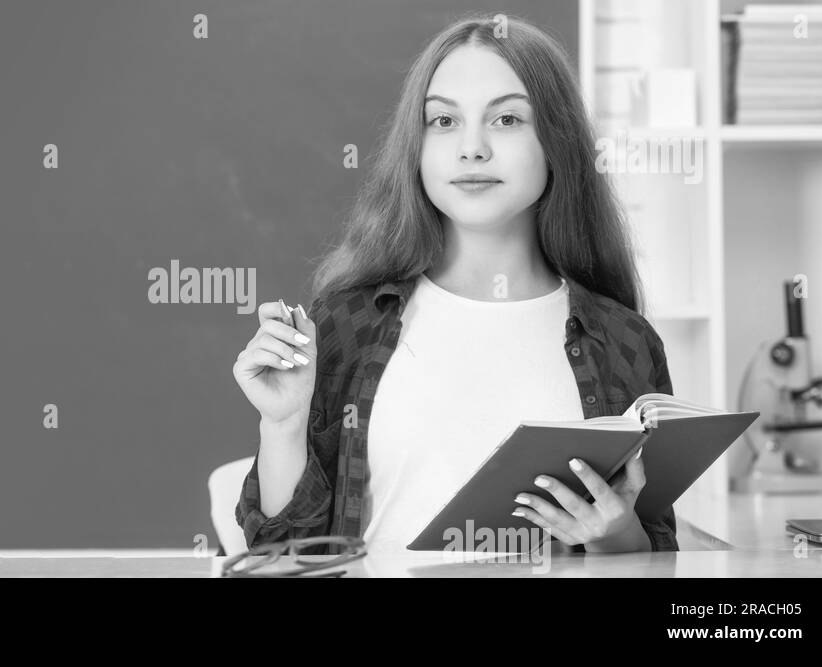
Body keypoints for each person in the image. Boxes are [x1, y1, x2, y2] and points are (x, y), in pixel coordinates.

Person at [231, 15, 678, 556]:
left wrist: (616, 535)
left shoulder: (624, 340)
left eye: (508, 119)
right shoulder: (345, 324)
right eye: (443, 121)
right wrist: (283, 424)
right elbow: (282, 556)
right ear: (416, 146)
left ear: (557, 140)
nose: (472, 148)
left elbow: (655, 555)